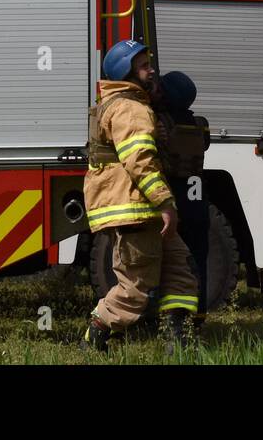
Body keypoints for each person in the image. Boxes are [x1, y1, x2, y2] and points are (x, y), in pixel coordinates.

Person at [82, 40, 199, 353]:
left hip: (141, 207)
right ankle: (95, 336)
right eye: (144, 66)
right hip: (135, 207)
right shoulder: (130, 108)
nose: (152, 71)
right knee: (135, 288)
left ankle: (178, 340)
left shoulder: (132, 105)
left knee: (179, 270)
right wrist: (164, 202)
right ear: (126, 72)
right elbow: (140, 161)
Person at [155, 71, 212, 326]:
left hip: (175, 199)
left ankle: (169, 317)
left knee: (172, 264)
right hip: (197, 200)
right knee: (198, 260)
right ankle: (198, 317)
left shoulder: (162, 122)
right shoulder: (200, 124)